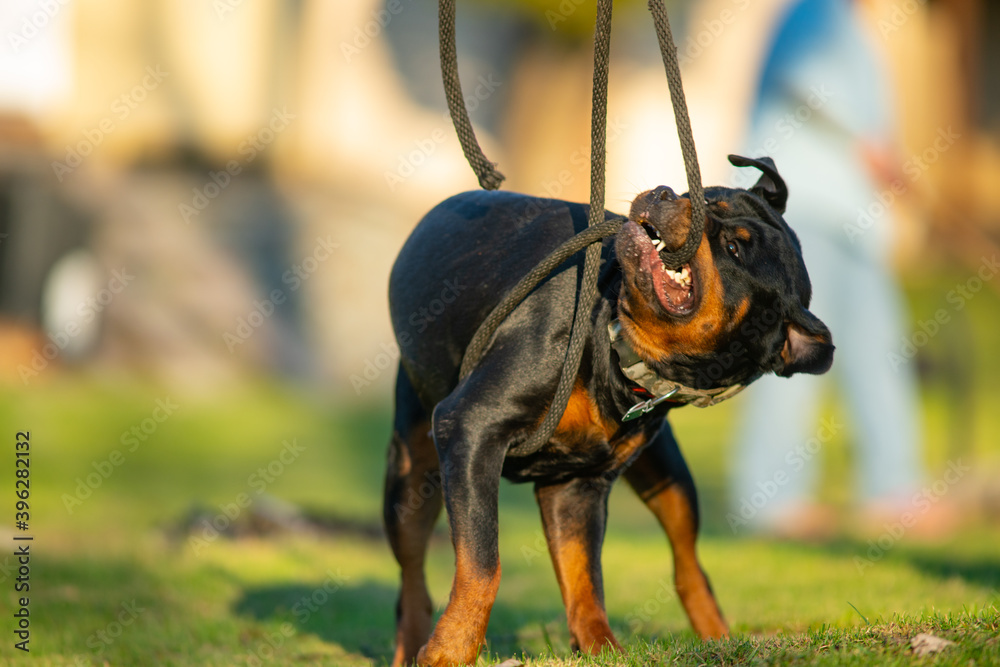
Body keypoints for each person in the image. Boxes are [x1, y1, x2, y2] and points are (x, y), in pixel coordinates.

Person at [728, 0, 932, 539]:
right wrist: (869, 144)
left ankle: (892, 490)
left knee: (878, 352)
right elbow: (806, 81)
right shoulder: (816, 11)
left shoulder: (851, 28)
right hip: (806, 212)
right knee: (794, 349)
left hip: (854, 220)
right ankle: (770, 499)